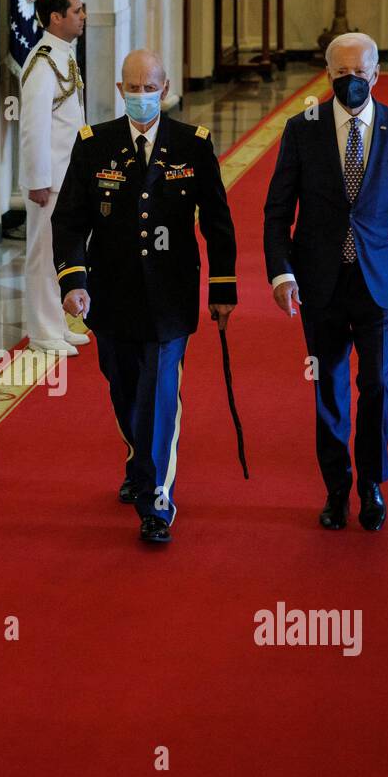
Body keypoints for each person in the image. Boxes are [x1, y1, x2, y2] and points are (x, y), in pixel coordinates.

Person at [53, 50, 238, 543]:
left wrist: (223, 286)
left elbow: (218, 223)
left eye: (149, 86)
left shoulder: (192, 145)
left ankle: (157, 497)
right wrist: (74, 280)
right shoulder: (95, 144)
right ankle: (139, 462)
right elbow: (70, 219)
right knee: (123, 387)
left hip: (170, 296)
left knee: (158, 394)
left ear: (166, 85)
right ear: (120, 90)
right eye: (132, 88)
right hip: (110, 296)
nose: (141, 95)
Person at [263, 31, 388, 532]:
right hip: (320, 283)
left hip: (380, 283)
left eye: (360, 74)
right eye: (341, 75)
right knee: (330, 388)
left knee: (378, 384)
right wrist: (281, 273)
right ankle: (336, 488)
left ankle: (371, 484)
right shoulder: (302, 129)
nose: (351, 82)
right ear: (327, 74)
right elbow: (277, 212)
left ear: (376, 75)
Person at [19, 0, 87, 356]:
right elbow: (34, 125)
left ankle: (59, 323)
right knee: (43, 254)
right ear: (56, 17)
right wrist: (38, 180)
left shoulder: (64, 54)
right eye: (76, 10)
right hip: (51, 179)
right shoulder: (42, 60)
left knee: (64, 253)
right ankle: (43, 331)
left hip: (69, 174)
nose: (83, 16)